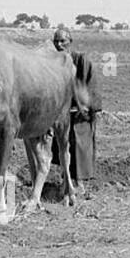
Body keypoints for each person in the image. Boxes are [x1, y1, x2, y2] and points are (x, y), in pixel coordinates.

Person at [52, 26, 100, 182]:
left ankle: (80, 182)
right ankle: (66, 180)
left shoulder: (81, 60)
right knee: (62, 146)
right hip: (61, 112)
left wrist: (87, 107)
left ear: (70, 42)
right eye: (56, 41)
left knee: (80, 145)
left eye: (62, 41)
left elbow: (89, 85)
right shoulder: (53, 63)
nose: (59, 44)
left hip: (80, 111)